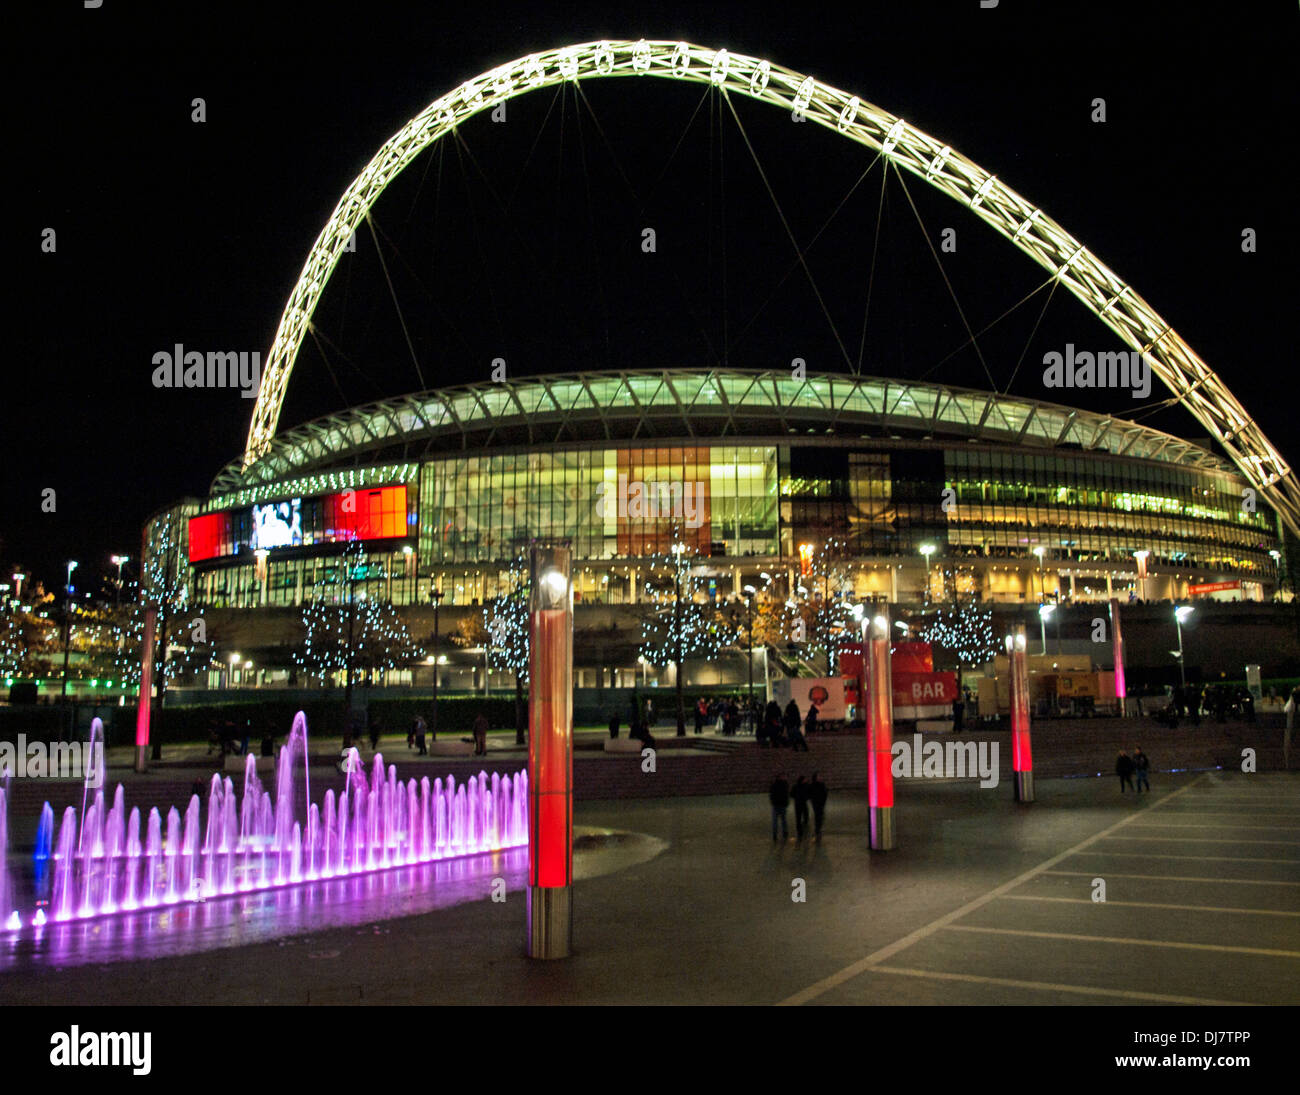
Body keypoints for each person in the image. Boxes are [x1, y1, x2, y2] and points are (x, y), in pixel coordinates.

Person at [769, 774, 790, 841]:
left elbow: (771, 795)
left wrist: (773, 802)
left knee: (775, 821)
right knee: (783, 820)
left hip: (775, 805)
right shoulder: (784, 785)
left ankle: (775, 834)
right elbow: (786, 795)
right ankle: (785, 832)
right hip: (783, 805)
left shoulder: (773, 785)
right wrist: (786, 803)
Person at [791, 776, 811, 840]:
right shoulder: (797, 786)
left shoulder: (805, 786)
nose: (806, 780)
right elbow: (792, 794)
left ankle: (802, 828)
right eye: (805, 779)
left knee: (804, 816)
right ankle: (800, 831)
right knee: (799, 818)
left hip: (801, 803)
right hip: (799, 803)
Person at [809, 772, 828, 838]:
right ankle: (817, 829)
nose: (820, 778)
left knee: (820, 816)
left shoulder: (822, 784)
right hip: (816, 803)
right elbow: (810, 794)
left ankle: (818, 829)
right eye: (819, 777)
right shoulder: (813, 785)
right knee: (818, 816)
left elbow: (825, 794)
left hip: (820, 803)